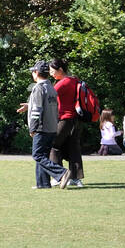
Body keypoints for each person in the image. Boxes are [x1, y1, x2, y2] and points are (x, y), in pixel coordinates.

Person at [25, 61, 67, 188]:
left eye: (33, 71)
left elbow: (37, 110)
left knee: (37, 155)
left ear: (36, 73)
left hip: (41, 127)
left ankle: (62, 173)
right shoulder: (51, 88)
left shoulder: (38, 88)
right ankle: (43, 184)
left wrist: (33, 127)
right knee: (43, 155)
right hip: (52, 127)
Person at [49, 59, 84, 188]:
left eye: (53, 71)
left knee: (53, 144)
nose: (51, 74)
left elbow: (47, 97)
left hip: (65, 118)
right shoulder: (75, 80)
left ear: (61, 70)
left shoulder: (62, 83)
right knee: (73, 147)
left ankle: (58, 176)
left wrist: (29, 105)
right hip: (77, 119)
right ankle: (75, 178)